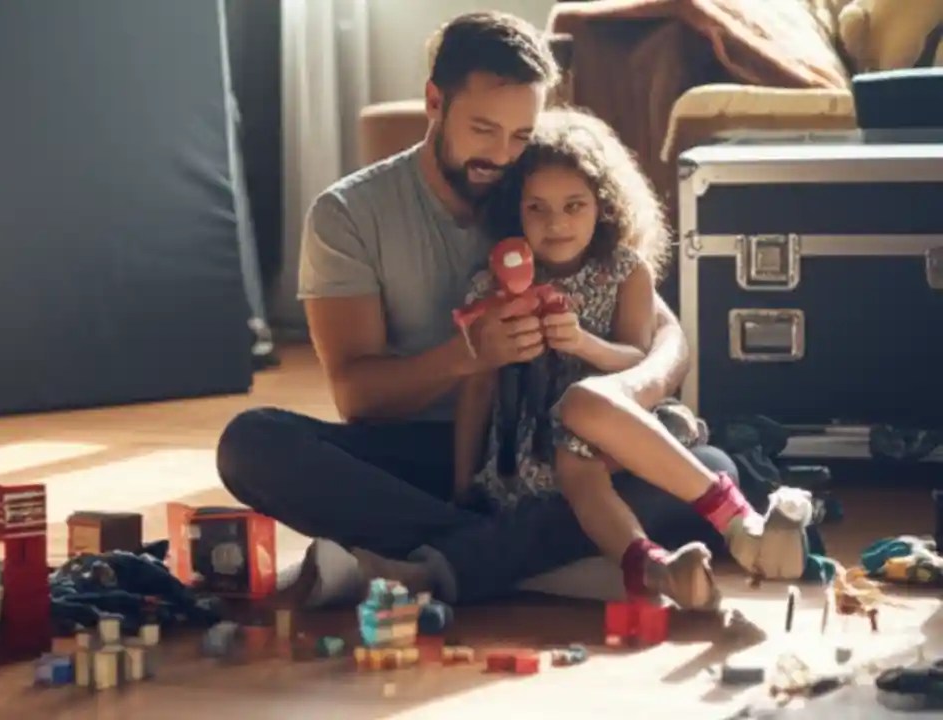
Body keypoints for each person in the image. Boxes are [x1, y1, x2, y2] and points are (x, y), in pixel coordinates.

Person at [214, 11, 755, 608]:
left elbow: (664, 333)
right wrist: (467, 358)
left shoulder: (542, 193)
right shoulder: (347, 215)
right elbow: (358, 397)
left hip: (560, 452)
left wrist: (622, 393)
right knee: (252, 443)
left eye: (520, 134)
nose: (501, 155)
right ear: (433, 103)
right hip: (424, 458)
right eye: (482, 129)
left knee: (707, 462)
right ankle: (520, 560)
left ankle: (438, 564)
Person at [453, 109, 810, 611]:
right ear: (517, 212)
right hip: (533, 455)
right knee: (573, 458)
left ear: (604, 206)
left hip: (617, 430)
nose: (556, 223)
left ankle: (736, 525)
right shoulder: (493, 286)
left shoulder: (623, 271)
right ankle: (655, 568)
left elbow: (636, 361)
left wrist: (581, 344)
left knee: (581, 409)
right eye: (537, 208)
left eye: (574, 205)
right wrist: (460, 483)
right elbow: (477, 387)